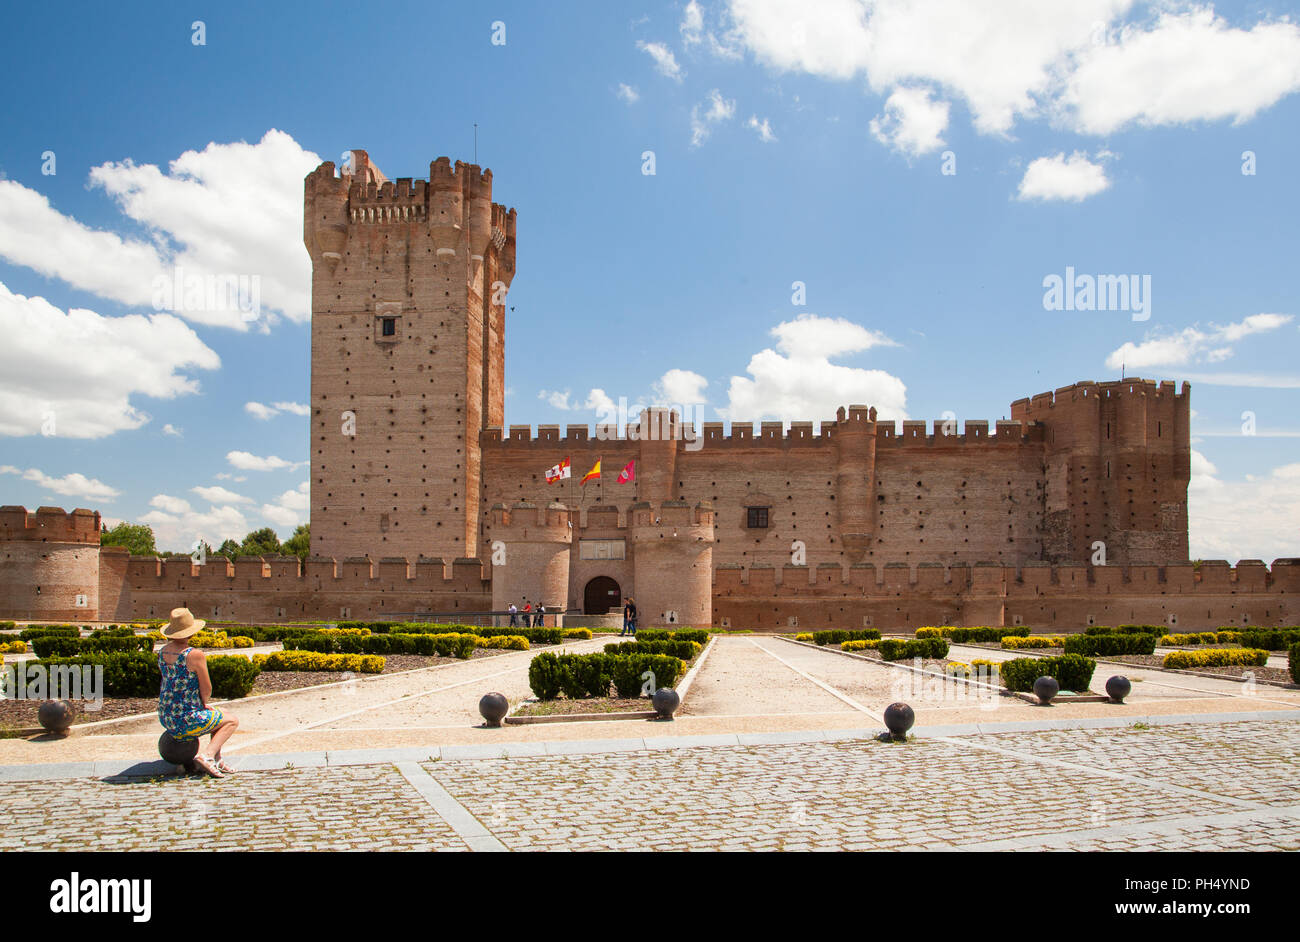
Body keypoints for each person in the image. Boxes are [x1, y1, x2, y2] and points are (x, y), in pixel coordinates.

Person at [157, 607, 239, 778]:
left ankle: (217, 759)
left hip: (167, 716)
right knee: (231, 721)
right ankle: (207, 756)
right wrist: (203, 704)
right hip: (185, 718)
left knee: (222, 713)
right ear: (191, 632)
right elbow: (206, 689)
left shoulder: (162, 652)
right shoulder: (194, 655)